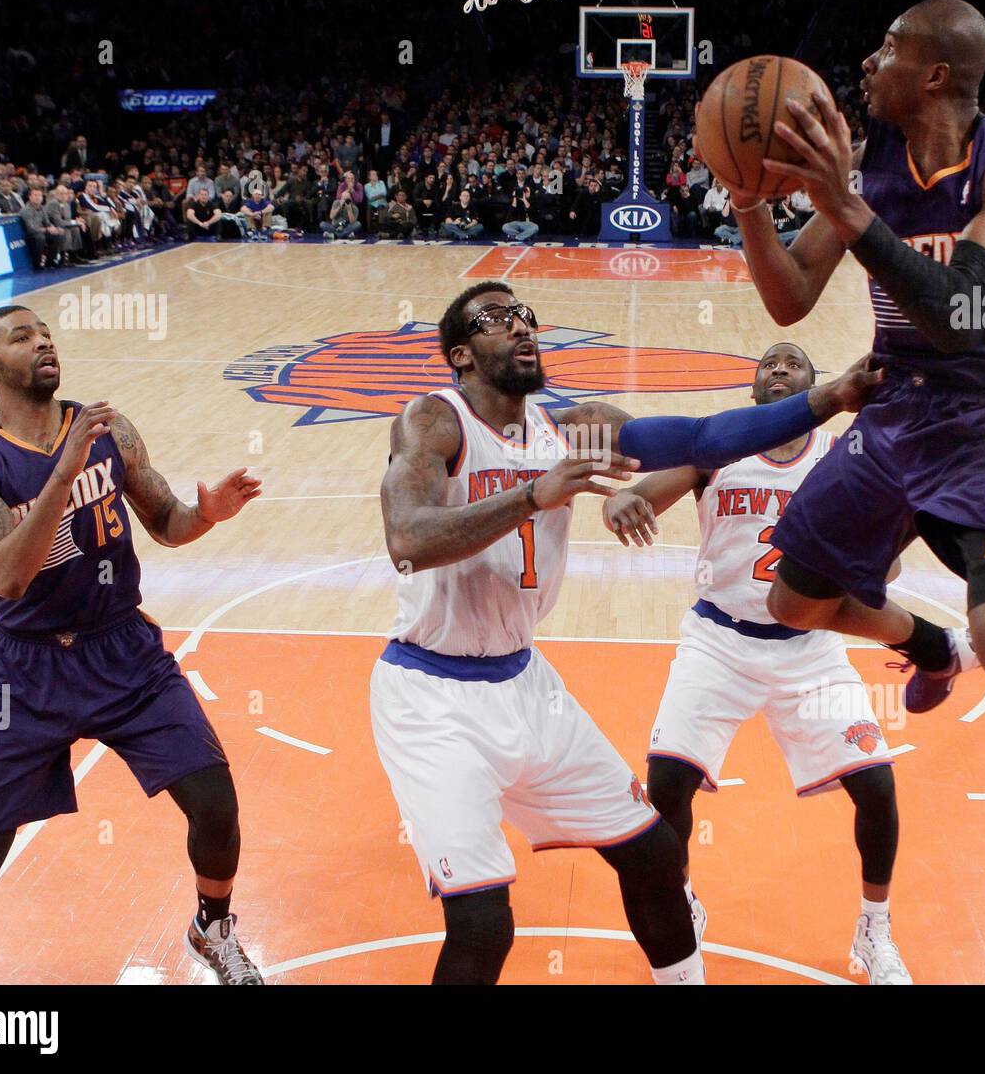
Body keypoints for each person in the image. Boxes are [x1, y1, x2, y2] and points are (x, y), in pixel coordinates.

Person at [718, 0, 985, 973]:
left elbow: (961, 315)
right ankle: (925, 641)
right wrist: (747, 199)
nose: (866, 63)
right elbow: (789, 293)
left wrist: (845, 206)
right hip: (897, 416)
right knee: (791, 599)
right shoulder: (865, 169)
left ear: (937, 75)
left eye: (889, 50)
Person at [373, 281, 881, 985]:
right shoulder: (436, 421)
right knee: (486, 928)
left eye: (526, 316)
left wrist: (832, 397)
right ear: (459, 354)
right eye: (496, 320)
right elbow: (406, 538)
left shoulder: (571, 428)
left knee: (654, 854)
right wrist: (531, 495)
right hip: (430, 693)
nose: (521, 327)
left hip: (524, 683)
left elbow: (704, 440)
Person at [0, 306, 263, 985]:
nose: (42, 340)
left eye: (45, 332)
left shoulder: (107, 428)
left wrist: (206, 516)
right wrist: (62, 477)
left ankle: (211, 926)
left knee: (215, 802)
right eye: (22, 337)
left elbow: (165, 521)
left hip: (121, 649)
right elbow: (8, 578)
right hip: (25, 669)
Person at [602, 342, 909, 984]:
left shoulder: (841, 459)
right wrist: (620, 501)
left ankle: (874, 928)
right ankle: (683, 902)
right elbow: (640, 496)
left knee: (877, 787)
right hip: (718, 642)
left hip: (811, 646)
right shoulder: (720, 449)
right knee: (667, 786)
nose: (778, 368)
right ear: (754, 388)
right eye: (768, 362)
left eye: (793, 361)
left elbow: (887, 562)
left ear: (815, 385)